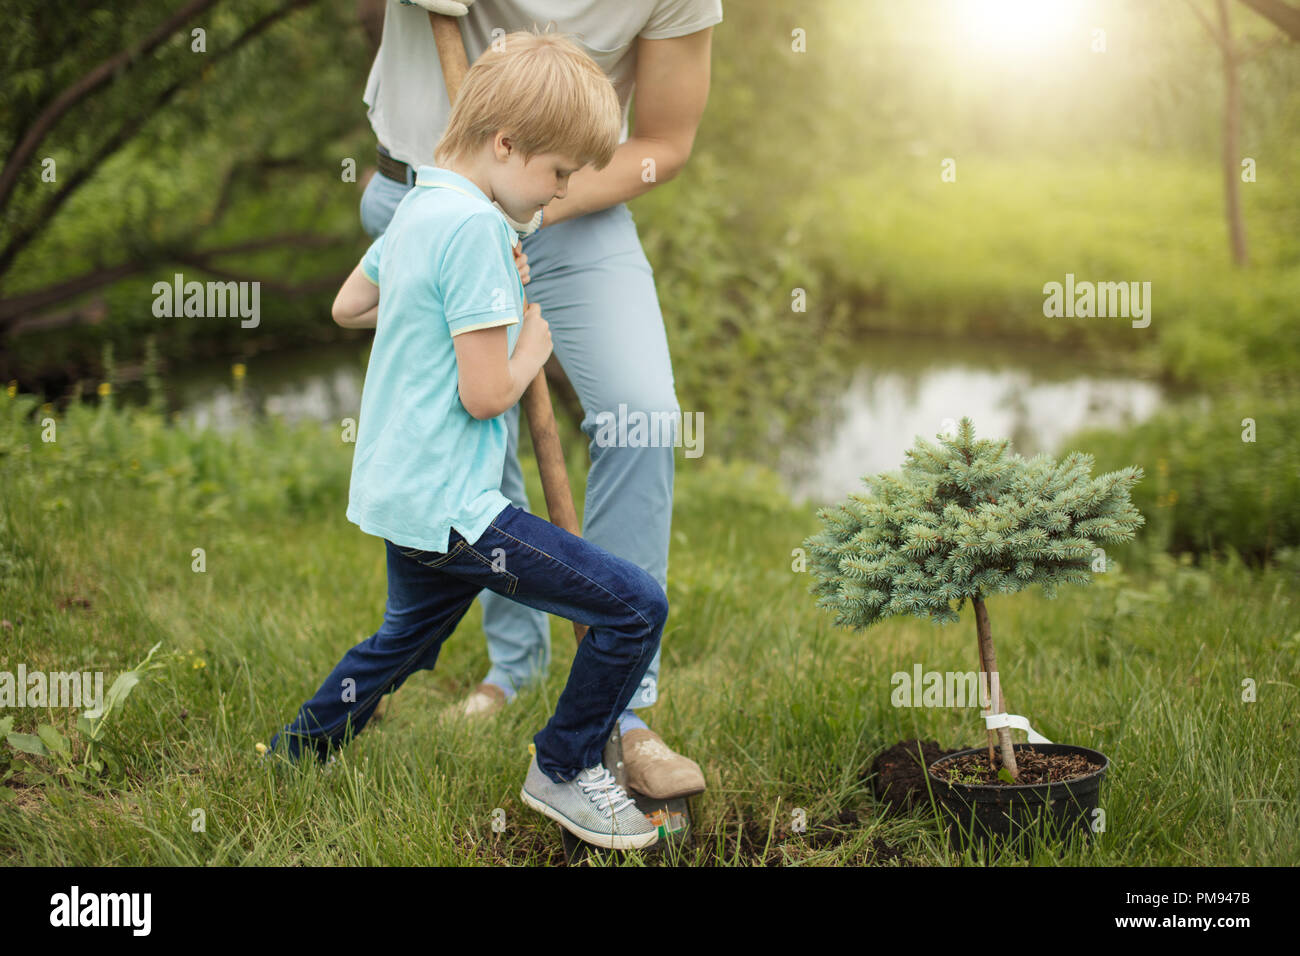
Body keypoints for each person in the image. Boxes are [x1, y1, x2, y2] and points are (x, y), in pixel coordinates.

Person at [267, 31, 666, 850]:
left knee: (400, 645)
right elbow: (486, 394)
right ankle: (564, 768)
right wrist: (530, 349)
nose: (557, 197)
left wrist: (448, 310)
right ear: (506, 143)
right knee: (634, 608)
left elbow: (349, 306)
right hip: (459, 512)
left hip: (401, 496)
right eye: (557, 173)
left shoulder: (417, 206)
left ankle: (290, 756)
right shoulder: (481, 233)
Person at [355, 0, 721, 801]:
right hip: (425, 197)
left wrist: (527, 204)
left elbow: (664, 141)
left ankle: (620, 711)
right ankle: (512, 669)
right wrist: (468, 218)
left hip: (567, 206)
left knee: (643, 413)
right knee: (473, 429)